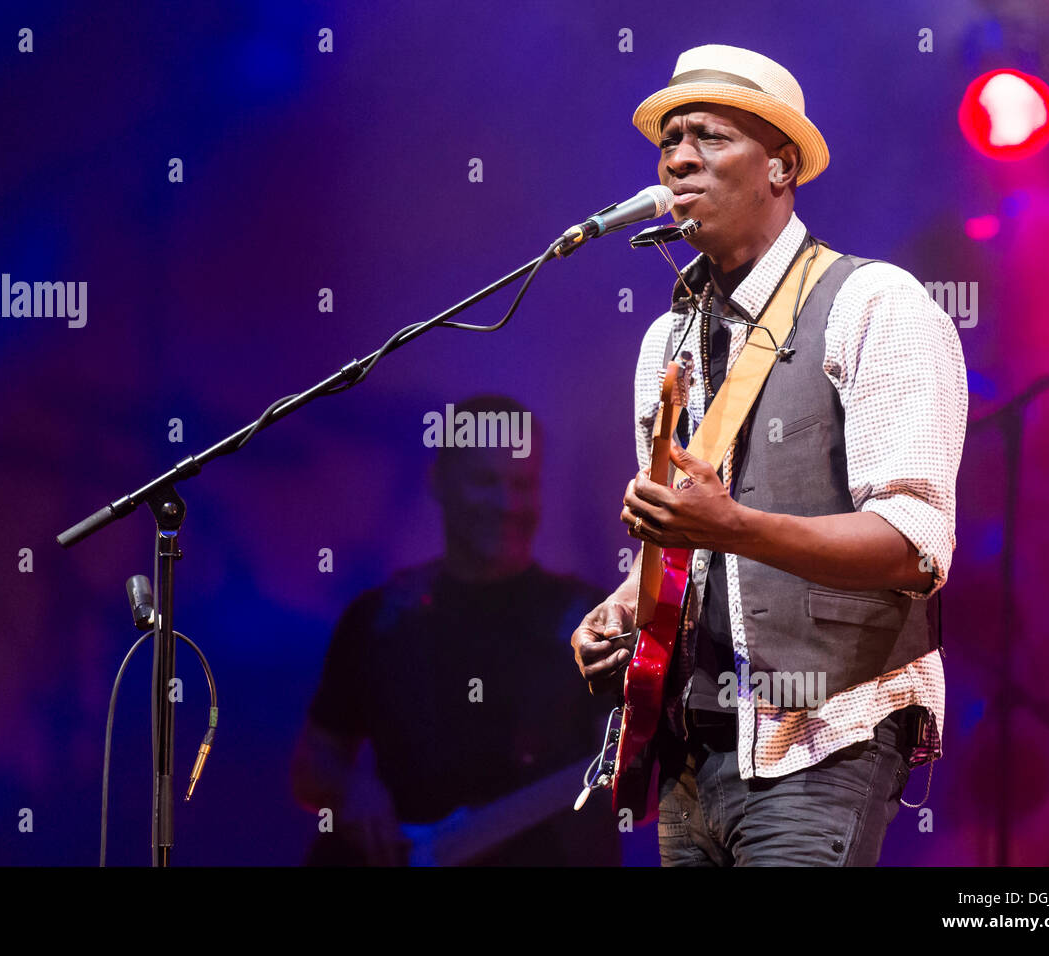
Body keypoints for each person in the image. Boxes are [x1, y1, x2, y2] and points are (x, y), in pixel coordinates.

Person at [571, 44, 968, 866]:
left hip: (822, 739)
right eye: (670, 139)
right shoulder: (667, 340)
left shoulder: (876, 303)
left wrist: (731, 525)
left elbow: (914, 545)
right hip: (690, 746)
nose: (679, 157)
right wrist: (623, 602)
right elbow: (691, 543)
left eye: (710, 136)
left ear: (781, 166)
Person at [294, 395, 621, 865]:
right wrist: (351, 790)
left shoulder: (593, 621)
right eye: (486, 481)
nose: (508, 504)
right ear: (439, 481)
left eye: (522, 484)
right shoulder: (381, 618)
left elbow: (635, 780)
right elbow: (313, 763)